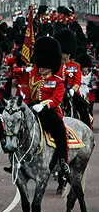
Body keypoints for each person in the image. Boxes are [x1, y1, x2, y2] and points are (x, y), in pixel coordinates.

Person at [29, 36, 70, 183]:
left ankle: (63, 161)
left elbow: (56, 100)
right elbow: (28, 95)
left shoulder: (57, 81)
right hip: (34, 108)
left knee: (60, 130)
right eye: (39, 65)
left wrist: (44, 105)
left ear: (50, 65)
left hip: (49, 111)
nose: (40, 68)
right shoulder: (34, 79)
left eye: (43, 65)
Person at [54, 28, 90, 128]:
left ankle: (87, 127)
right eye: (62, 53)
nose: (63, 55)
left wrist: (73, 90)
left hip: (71, 93)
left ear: (69, 53)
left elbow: (77, 82)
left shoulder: (76, 66)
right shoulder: (56, 66)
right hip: (58, 93)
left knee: (83, 109)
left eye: (65, 53)